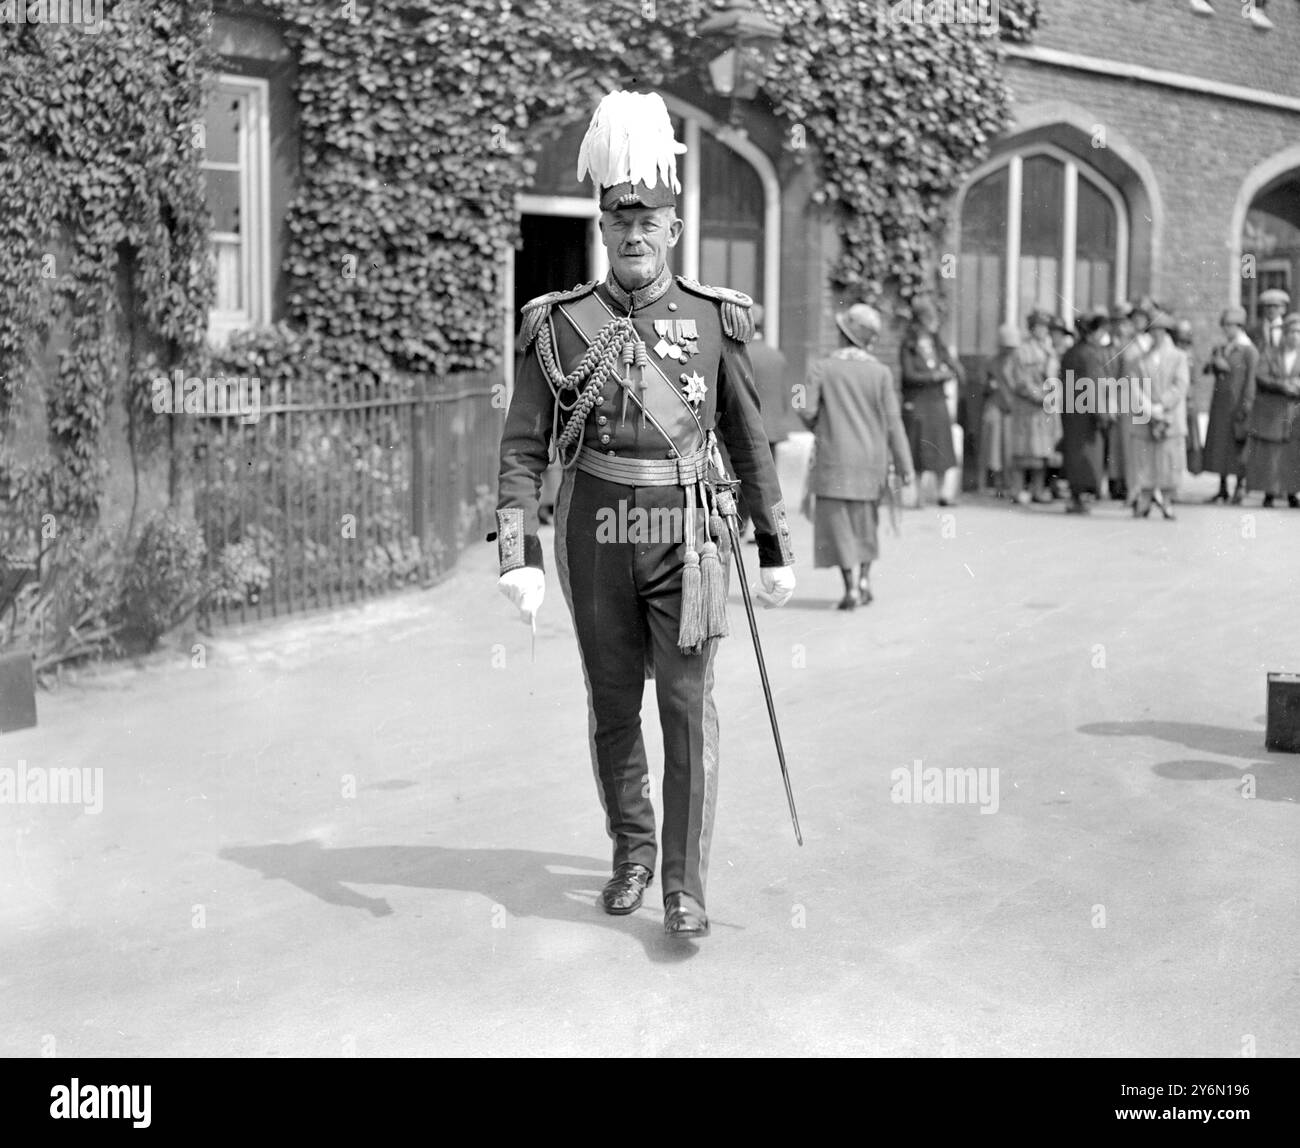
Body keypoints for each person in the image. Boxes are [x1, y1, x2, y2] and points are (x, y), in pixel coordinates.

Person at [493, 90, 796, 940]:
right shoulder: (559, 326)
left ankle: (683, 885)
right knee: (614, 703)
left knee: (688, 706)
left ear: (672, 228)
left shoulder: (710, 320)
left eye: (649, 221)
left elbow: (749, 438)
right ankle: (631, 852)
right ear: (602, 227)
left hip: (688, 536)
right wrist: (515, 554)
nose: (633, 235)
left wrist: (772, 546)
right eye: (618, 222)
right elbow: (521, 449)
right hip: (592, 536)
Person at [800, 303, 914, 610]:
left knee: (839, 526)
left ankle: (850, 586)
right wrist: (905, 466)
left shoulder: (822, 368)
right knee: (866, 523)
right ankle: (865, 580)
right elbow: (894, 422)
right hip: (872, 463)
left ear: (843, 334)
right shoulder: (881, 373)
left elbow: (806, 409)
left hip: (833, 460)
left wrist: (821, 424)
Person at [735, 302, 790, 536]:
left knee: (742, 479)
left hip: (747, 426)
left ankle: (743, 524)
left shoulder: (738, 353)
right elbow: (793, 392)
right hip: (774, 428)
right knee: (766, 482)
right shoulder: (777, 356)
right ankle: (767, 528)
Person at [898, 297, 960, 507]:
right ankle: (917, 496)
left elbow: (952, 366)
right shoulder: (909, 344)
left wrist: (951, 369)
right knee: (919, 451)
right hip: (919, 403)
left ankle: (943, 494)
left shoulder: (937, 343)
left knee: (942, 449)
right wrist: (933, 376)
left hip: (937, 402)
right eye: (929, 318)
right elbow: (908, 375)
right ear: (920, 320)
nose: (934, 322)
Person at [1130, 311, 1189, 519]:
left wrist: (1161, 406)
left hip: (1169, 416)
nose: (1156, 335)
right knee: (1145, 459)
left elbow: (1180, 385)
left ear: (1167, 333)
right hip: (1145, 415)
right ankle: (1144, 500)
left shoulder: (1178, 357)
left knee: (1169, 460)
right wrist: (1147, 407)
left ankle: (1167, 501)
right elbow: (1134, 385)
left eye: (1160, 331)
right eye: (1153, 331)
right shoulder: (1140, 359)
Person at [1201, 306, 1257, 504]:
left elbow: (1250, 380)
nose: (1225, 330)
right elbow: (1207, 370)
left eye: (1229, 326)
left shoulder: (1248, 350)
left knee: (1238, 446)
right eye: (1224, 326)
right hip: (1221, 405)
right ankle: (1222, 486)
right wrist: (1213, 363)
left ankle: (1239, 487)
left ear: (1239, 326)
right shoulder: (1222, 347)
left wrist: (1247, 405)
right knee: (1221, 446)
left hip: (1237, 405)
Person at [1244, 312, 1300, 508]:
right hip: (1274, 410)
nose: (1295, 336)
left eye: (1299, 332)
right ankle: (1270, 492)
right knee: (1272, 455)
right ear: (1284, 334)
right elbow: (1260, 376)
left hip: (1295, 412)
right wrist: (1282, 385)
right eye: (1291, 332)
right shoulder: (1271, 353)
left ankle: (1292, 493)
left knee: (1293, 454)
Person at [1006, 310, 1061, 504]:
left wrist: (1052, 397)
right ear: (1032, 328)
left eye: (1045, 327)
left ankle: (1038, 490)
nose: (1043, 330)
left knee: (1042, 452)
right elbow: (1019, 380)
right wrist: (1038, 396)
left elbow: (1054, 377)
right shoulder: (1023, 351)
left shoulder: (1049, 350)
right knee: (1023, 451)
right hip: (1028, 407)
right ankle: (1017, 489)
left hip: (1044, 409)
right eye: (1039, 326)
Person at [1058, 309, 1110, 514]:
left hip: (1071, 411)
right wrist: (1101, 413)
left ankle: (1076, 495)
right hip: (1087, 413)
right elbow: (1092, 386)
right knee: (1087, 455)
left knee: (1074, 453)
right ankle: (1080, 496)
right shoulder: (1089, 355)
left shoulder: (1071, 352)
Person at [977, 322, 1019, 496]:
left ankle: (1009, 484)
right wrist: (989, 385)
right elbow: (982, 384)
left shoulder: (1018, 361)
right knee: (993, 446)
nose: (1008, 351)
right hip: (995, 405)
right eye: (1005, 347)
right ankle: (994, 483)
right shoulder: (991, 361)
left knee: (1010, 447)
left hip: (1013, 407)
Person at [1102, 301, 1136, 501]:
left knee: (1126, 443)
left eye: (1123, 323)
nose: (1120, 327)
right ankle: (1114, 482)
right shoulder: (1107, 348)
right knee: (1113, 444)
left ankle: (1125, 483)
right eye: (1116, 323)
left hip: (1130, 401)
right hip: (1110, 398)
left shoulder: (1133, 347)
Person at [1252, 287, 1290, 352]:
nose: (1271, 309)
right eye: (1268, 306)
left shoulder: (1288, 329)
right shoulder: (1254, 330)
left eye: (1276, 306)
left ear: (1284, 309)